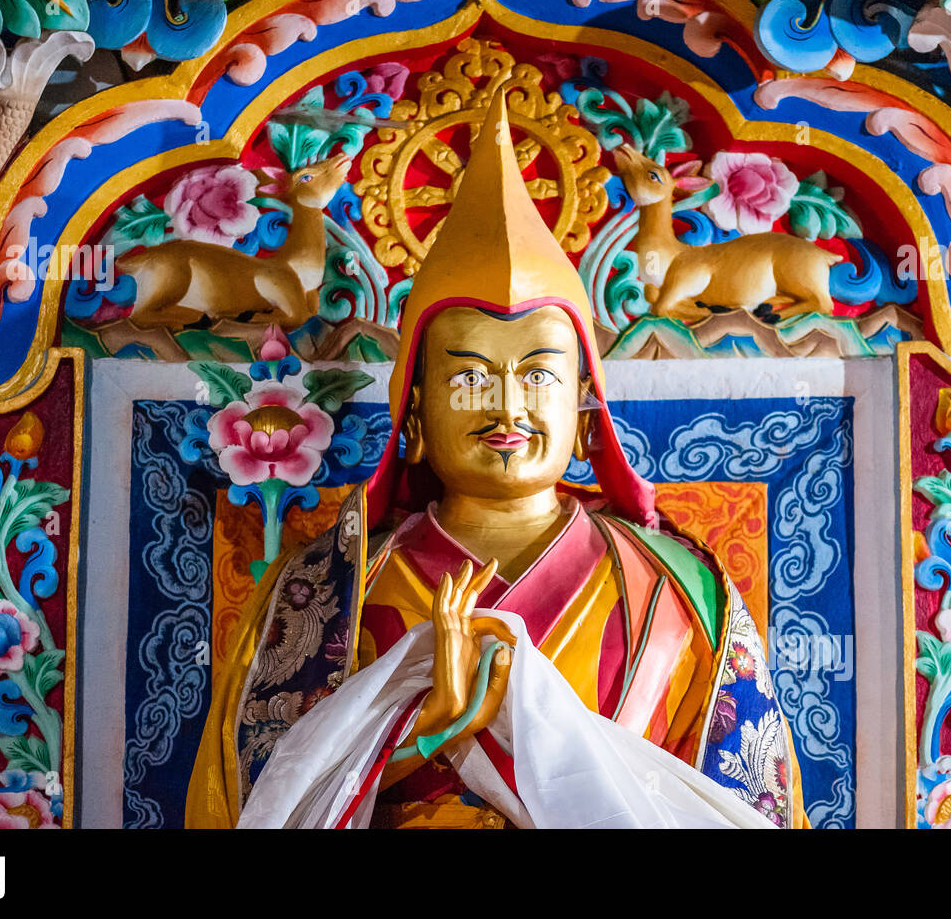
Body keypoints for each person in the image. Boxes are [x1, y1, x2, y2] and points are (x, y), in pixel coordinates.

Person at [188, 88, 806, 829]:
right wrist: (428, 729)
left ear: (585, 410)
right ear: (414, 412)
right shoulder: (325, 594)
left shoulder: (680, 592)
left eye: (538, 374)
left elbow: (739, 809)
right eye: (470, 376)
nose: (507, 406)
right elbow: (261, 803)